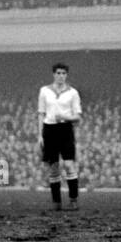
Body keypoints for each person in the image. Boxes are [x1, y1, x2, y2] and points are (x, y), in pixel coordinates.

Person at [37, 62, 82, 210]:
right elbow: (41, 113)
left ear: (66, 75)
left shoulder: (73, 93)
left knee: (69, 165)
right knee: (54, 167)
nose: (61, 76)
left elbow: (78, 117)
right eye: (58, 73)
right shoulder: (44, 91)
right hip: (49, 130)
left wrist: (65, 116)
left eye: (63, 73)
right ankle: (56, 202)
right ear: (54, 74)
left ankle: (73, 199)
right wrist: (40, 135)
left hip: (65, 129)